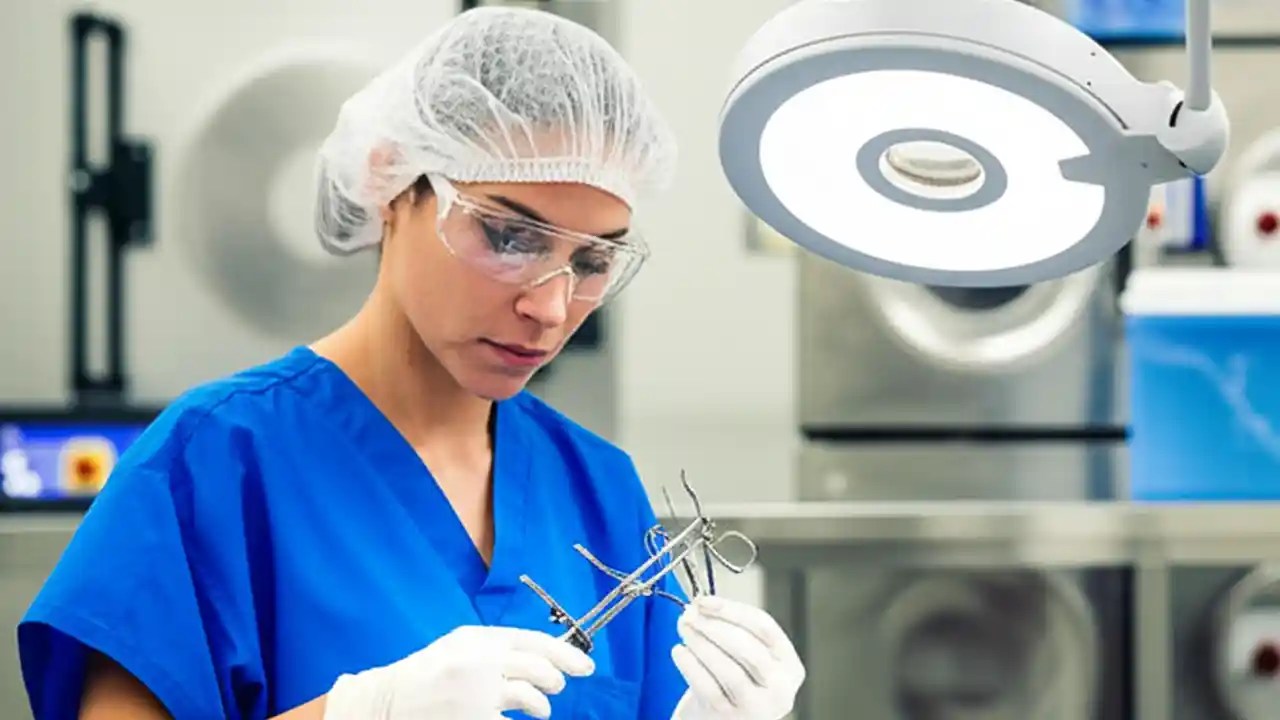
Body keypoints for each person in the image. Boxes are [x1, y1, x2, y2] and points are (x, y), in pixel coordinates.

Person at [17, 6, 806, 720]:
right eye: (510, 236)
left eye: (593, 261)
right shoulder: (212, 462)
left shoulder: (598, 489)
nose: (551, 306)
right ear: (393, 182)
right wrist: (356, 716)